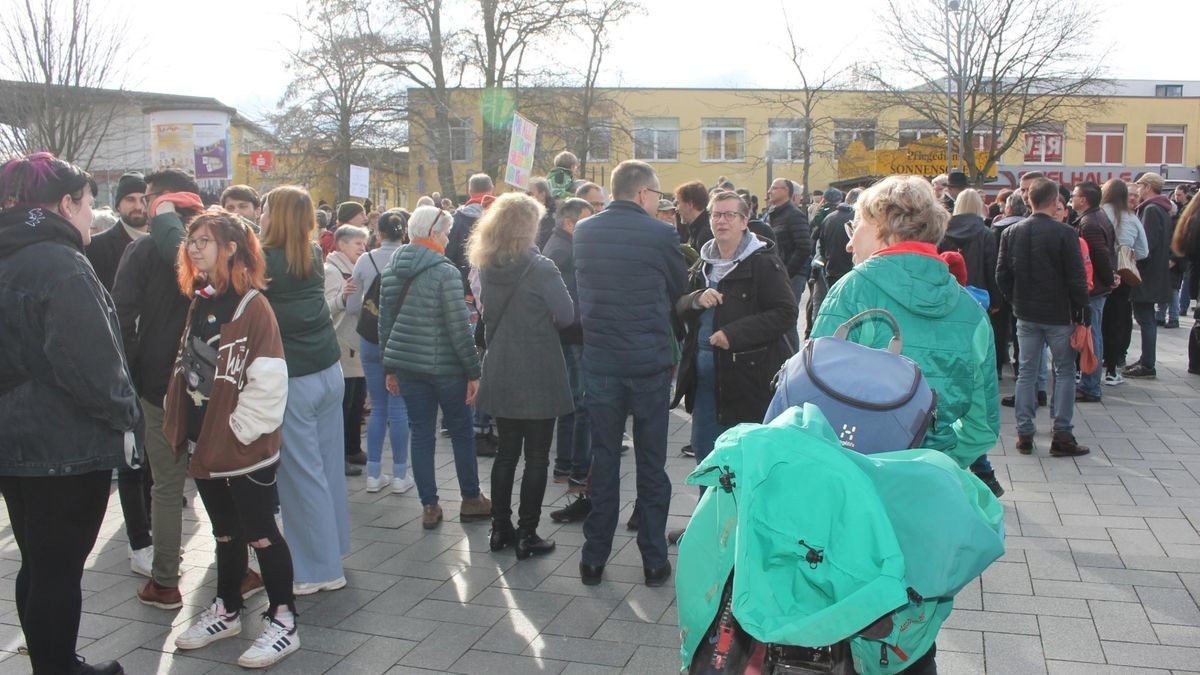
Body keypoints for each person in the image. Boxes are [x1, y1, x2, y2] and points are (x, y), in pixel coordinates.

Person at [154, 186, 352, 595]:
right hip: (327, 371)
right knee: (328, 467)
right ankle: (334, 549)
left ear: (271, 216)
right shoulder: (312, 252)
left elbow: (218, 245)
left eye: (262, 210)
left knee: (300, 477)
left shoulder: (270, 259)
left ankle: (318, 570)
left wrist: (165, 214)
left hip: (293, 377)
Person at [0, 152, 137, 675]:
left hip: (16, 440)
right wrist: (127, 417)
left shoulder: (12, 254)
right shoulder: (59, 263)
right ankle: (58, 667)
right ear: (64, 204)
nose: (89, 216)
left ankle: (52, 662)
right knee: (58, 570)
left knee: (37, 563)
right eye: (86, 204)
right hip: (64, 444)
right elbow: (92, 365)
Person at [163, 209, 298, 668]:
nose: (194, 247)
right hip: (205, 448)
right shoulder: (202, 297)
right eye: (191, 240)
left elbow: (270, 383)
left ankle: (284, 621)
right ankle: (227, 610)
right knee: (225, 534)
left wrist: (237, 433)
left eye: (204, 240)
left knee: (262, 535)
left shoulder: (252, 306)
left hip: (243, 451)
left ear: (232, 247)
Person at [813, 174, 1001, 495]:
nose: (848, 242)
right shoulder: (970, 310)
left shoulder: (854, 289)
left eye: (855, 226)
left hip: (859, 481)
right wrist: (940, 458)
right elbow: (982, 428)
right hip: (932, 485)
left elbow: (812, 397)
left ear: (882, 226)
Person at [575, 160, 688, 587]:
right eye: (658, 195)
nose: (659, 202)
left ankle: (593, 558)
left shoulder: (584, 231)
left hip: (601, 363)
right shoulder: (660, 233)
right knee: (652, 463)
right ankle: (654, 560)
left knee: (603, 460)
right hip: (647, 365)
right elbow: (678, 289)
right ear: (643, 194)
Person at [470, 193, 575, 559]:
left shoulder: (487, 264)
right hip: (538, 368)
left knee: (505, 454)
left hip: (501, 366)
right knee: (537, 457)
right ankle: (528, 533)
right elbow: (566, 315)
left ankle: (501, 528)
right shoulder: (541, 267)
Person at [378, 206, 491, 529]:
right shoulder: (444, 272)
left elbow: (385, 325)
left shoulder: (391, 269)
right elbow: (459, 327)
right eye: (444, 232)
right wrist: (473, 372)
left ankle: (430, 505)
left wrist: (390, 368)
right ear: (431, 233)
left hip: (408, 367)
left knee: (422, 434)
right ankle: (471, 499)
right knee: (461, 432)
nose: (446, 239)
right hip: (447, 370)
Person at [673, 190, 796, 474]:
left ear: (745, 221)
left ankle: (741, 519)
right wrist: (695, 299)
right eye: (717, 215)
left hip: (747, 381)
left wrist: (733, 334)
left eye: (730, 215)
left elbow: (785, 313)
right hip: (704, 382)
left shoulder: (764, 262)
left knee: (742, 462)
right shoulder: (703, 262)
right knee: (707, 458)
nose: (722, 221)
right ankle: (711, 518)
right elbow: (678, 306)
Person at [85, 170, 154, 576]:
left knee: (155, 458)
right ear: (119, 202)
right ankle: (139, 541)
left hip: (158, 363)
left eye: (142, 199)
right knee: (132, 456)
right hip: (123, 362)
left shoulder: (165, 245)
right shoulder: (102, 247)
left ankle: (153, 527)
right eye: (130, 199)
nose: (138, 206)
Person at [997, 178, 1090, 457]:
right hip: (1058, 313)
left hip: (1026, 313)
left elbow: (1002, 275)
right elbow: (1076, 278)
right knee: (1063, 372)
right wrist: (1082, 312)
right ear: (1054, 201)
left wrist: (1016, 301)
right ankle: (1062, 432)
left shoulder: (1012, 232)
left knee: (1026, 372)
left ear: (1029, 200)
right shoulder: (1065, 233)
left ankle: (1024, 433)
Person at [346, 210, 415, 494]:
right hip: (401, 339)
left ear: (380, 233)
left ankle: (374, 473)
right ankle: (400, 475)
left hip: (370, 338)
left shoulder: (366, 259)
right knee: (399, 409)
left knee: (377, 407)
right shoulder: (410, 258)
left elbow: (352, 307)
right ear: (404, 233)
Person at [545, 198, 595, 493]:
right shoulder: (565, 251)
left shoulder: (560, 246)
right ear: (569, 224)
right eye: (587, 221)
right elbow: (571, 303)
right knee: (581, 406)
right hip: (574, 336)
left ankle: (565, 467)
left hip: (570, 335)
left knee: (571, 406)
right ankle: (577, 472)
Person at [324, 224, 371, 476]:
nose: (362, 248)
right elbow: (326, 307)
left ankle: (353, 447)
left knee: (355, 403)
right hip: (342, 345)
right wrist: (343, 299)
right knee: (344, 404)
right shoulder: (332, 272)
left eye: (364, 244)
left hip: (355, 344)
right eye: (357, 244)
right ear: (341, 245)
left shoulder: (354, 268)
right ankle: (340, 455)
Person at [1100, 179, 1149, 385]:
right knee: (1117, 321)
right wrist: (1128, 254)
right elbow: (1144, 251)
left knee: (1097, 320)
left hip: (1100, 273)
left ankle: (1086, 367)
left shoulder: (1099, 213)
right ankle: (1112, 369)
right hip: (1122, 273)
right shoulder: (1131, 217)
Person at [1125, 173, 1175, 379]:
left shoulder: (1151, 209)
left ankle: (1147, 364)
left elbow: (1147, 243)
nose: (1137, 189)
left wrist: (1133, 261)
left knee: (1145, 318)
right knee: (1146, 318)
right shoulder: (1162, 208)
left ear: (1146, 187)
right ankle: (1146, 361)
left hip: (1146, 273)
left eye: (1139, 185)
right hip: (1156, 271)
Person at [1071, 181, 1116, 403]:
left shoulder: (1089, 223)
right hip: (1098, 286)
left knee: (1091, 336)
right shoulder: (1097, 217)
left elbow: (1099, 255)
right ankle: (1089, 383)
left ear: (1084, 200)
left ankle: (1090, 385)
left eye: (1075, 195)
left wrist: (1108, 279)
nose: (1072, 198)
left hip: (1094, 288)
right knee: (1092, 334)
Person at [674, 180, 712, 252]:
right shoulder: (696, 230)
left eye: (678, 203)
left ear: (690, 204)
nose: (677, 209)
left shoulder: (706, 235)